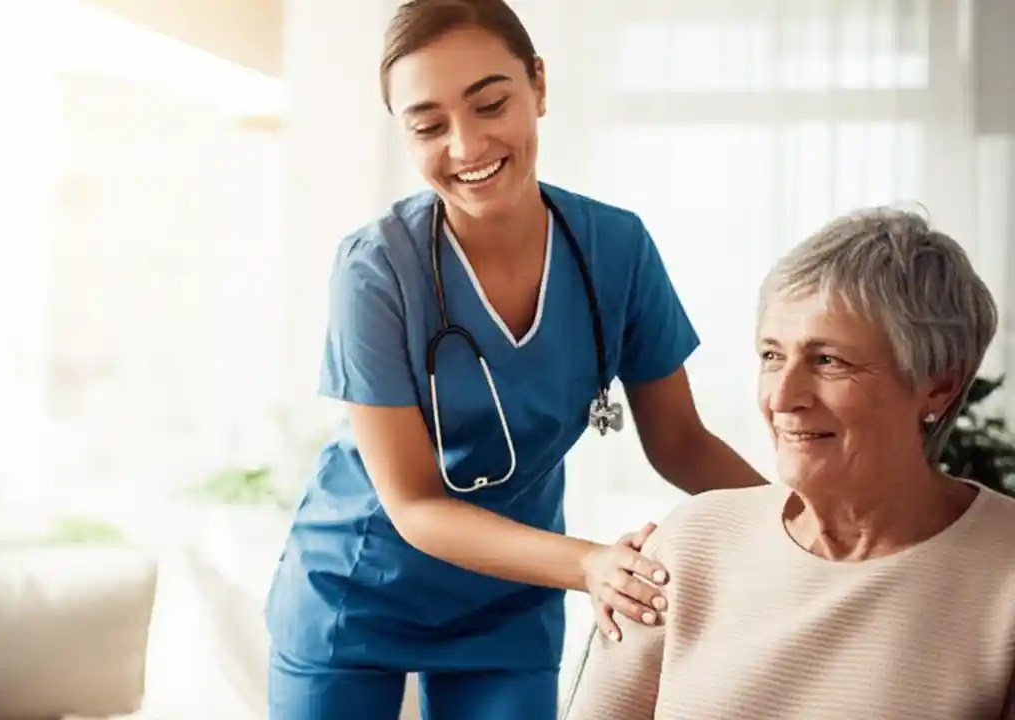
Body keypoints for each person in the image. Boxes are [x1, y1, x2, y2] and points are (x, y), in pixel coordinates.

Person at [264, 1, 765, 717]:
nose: (466, 146)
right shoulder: (376, 270)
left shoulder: (616, 250)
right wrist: (590, 563)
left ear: (539, 85)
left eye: (491, 103)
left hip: (509, 603)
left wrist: (802, 522)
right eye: (429, 125)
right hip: (358, 593)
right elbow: (413, 504)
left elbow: (681, 442)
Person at [567, 208, 1015, 720]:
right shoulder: (689, 544)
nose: (782, 397)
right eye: (772, 356)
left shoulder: (1004, 576)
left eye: (828, 361)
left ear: (938, 384)